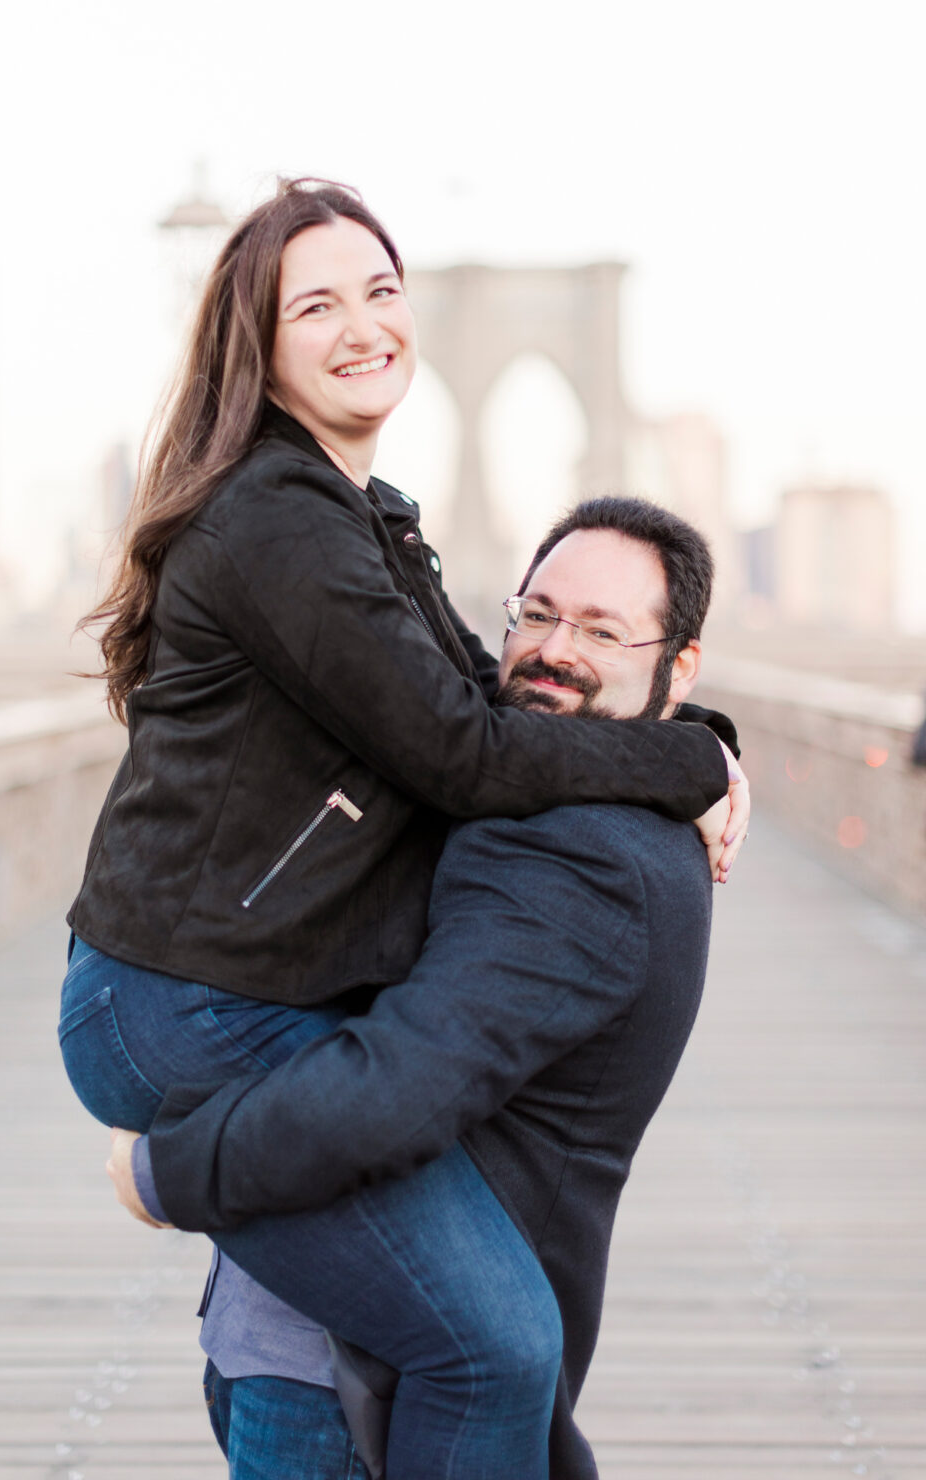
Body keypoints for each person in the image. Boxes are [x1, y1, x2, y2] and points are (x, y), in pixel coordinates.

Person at [58, 178, 746, 1479]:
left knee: (492, 1343)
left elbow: (468, 708)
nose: (364, 324)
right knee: (493, 1347)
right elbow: (466, 750)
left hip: (232, 989)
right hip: (185, 1000)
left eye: (382, 290)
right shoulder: (277, 517)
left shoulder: (366, 520)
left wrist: (694, 750)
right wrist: (690, 753)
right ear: (256, 348)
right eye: (314, 304)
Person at [110, 496, 724, 1480]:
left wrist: (163, 1172)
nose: (554, 648)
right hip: (313, 1335)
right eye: (537, 613)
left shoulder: (582, 857)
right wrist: (703, 749)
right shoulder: (546, 781)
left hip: (353, 1381)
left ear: (675, 663)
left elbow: (399, 1082)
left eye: (602, 630)